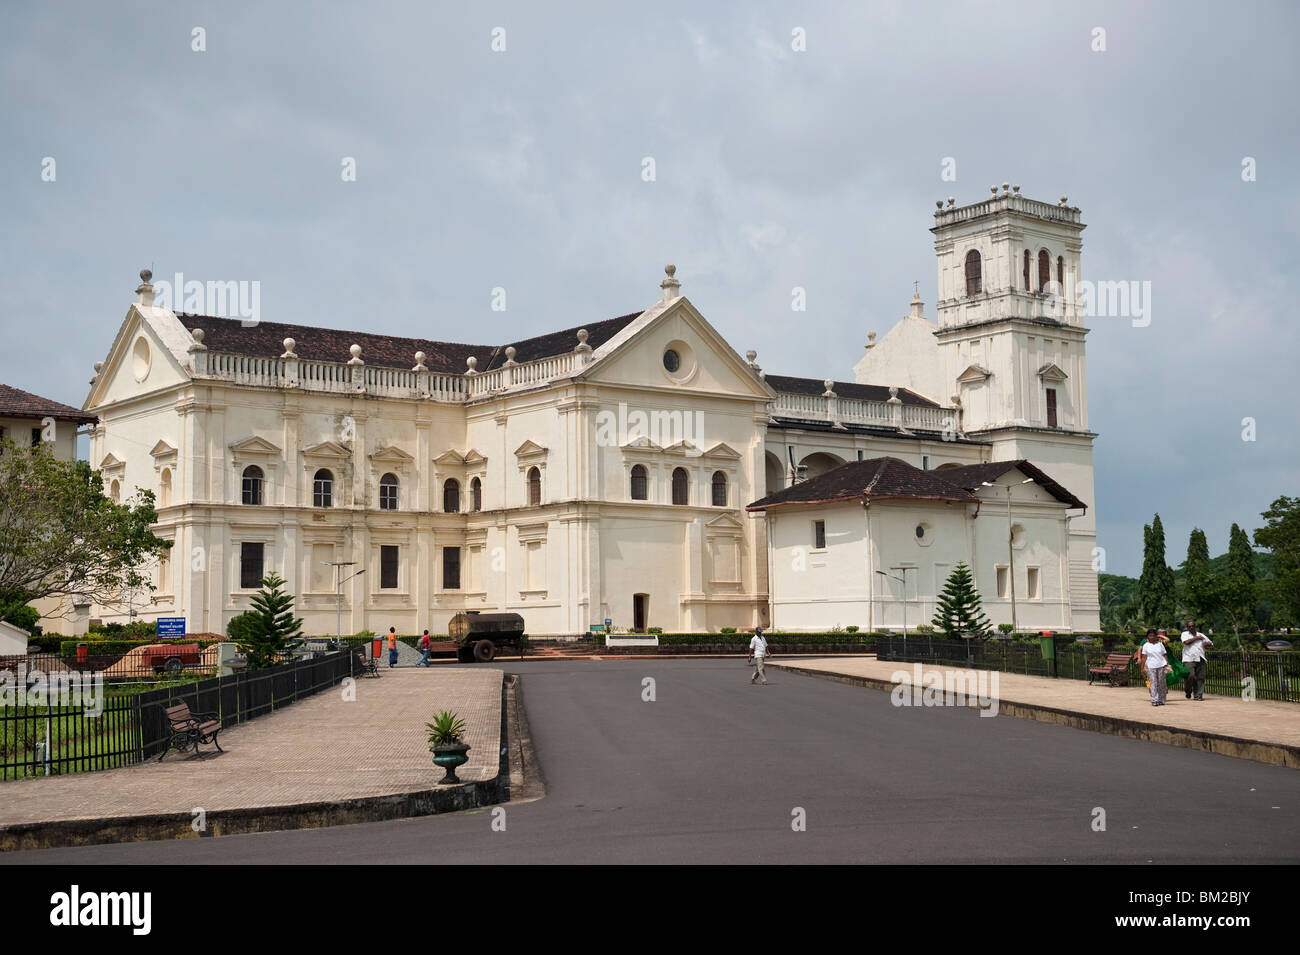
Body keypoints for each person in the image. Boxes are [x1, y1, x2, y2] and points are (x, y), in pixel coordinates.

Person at [1180, 619, 1212, 701]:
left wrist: (1206, 644)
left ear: (1195, 626)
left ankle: (1198, 695)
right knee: (1190, 675)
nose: (1191, 627)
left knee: (1200, 677)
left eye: (1193, 626)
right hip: (1189, 658)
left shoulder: (1201, 635)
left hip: (1200, 657)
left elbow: (1210, 643)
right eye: (1189, 626)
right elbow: (1186, 642)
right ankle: (1188, 690)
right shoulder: (1185, 634)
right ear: (1187, 627)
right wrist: (1196, 638)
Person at [1139, 628, 1169, 706]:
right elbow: (1144, 657)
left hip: (1161, 665)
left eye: (1153, 635)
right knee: (1153, 683)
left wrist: (1166, 663)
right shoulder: (1146, 645)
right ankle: (1154, 699)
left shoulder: (1160, 644)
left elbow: (1164, 654)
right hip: (1150, 666)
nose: (1152, 637)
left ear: (1156, 636)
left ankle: (1162, 699)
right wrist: (1142, 668)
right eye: (1150, 635)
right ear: (1147, 637)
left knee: (1161, 683)